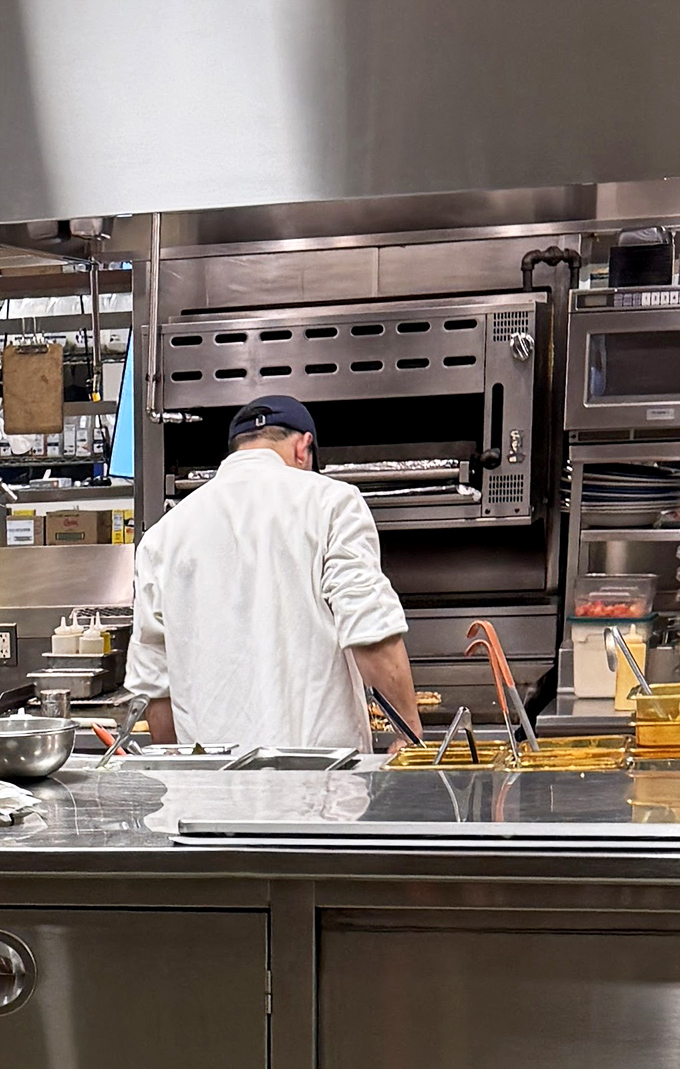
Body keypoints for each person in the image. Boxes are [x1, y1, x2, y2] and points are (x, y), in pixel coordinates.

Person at [125, 395, 422, 751]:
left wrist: (187, 777)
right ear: (304, 448)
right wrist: (411, 735)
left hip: (209, 787)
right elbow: (372, 634)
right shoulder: (333, 503)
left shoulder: (162, 536)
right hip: (321, 781)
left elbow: (156, 689)